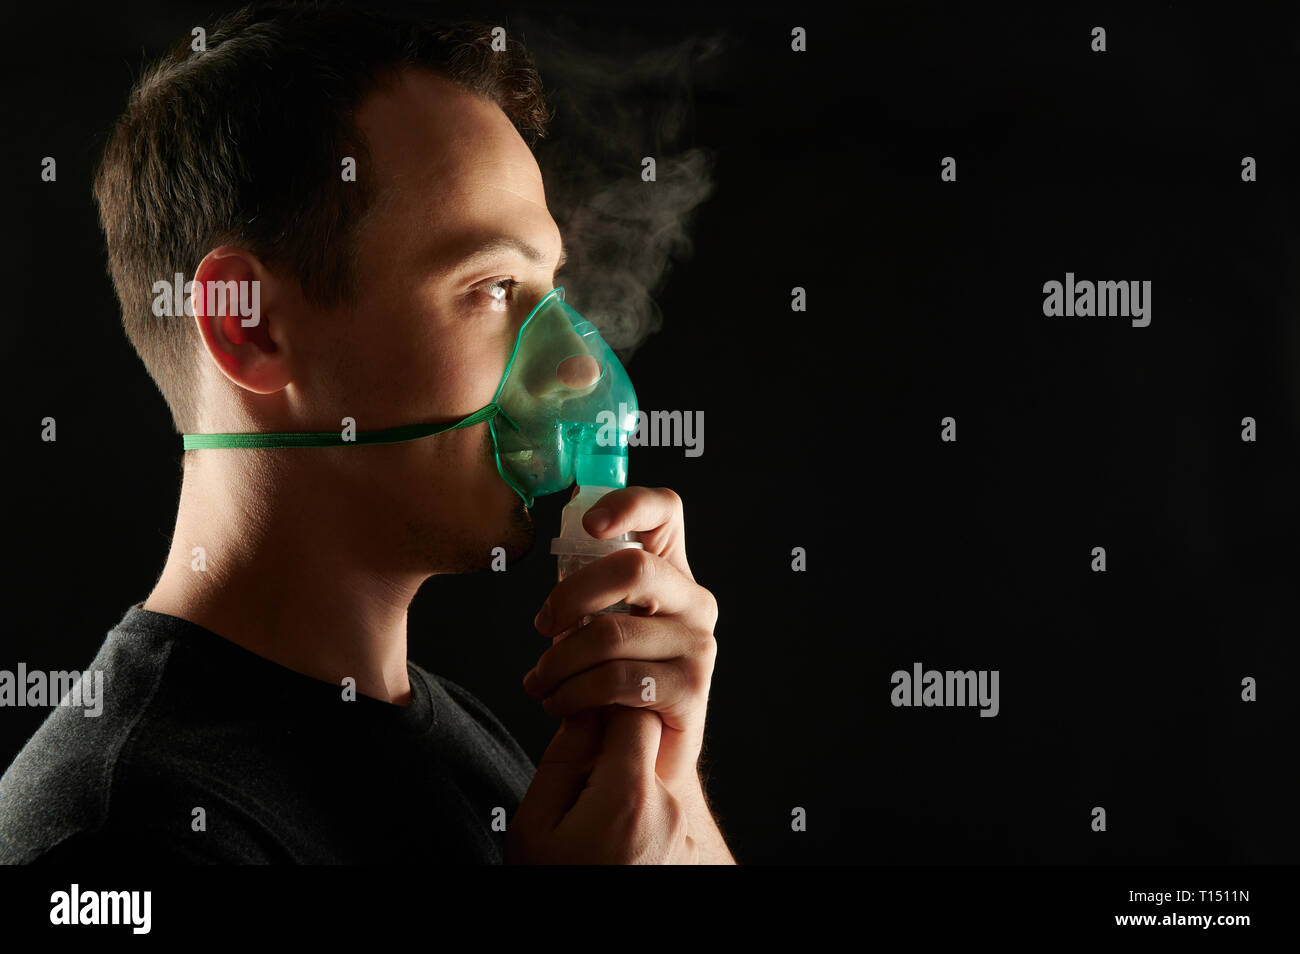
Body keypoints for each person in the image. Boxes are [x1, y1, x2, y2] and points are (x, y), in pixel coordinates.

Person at [0, 2, 730, 865]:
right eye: (492, 286)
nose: (577, 366)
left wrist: (670, 790)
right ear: (250, 325)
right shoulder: (126, 838)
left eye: (551, 288)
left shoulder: (452, 736)